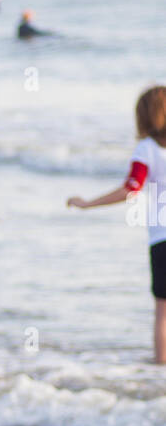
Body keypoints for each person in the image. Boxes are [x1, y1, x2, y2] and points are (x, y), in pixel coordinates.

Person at [67, 87, 166, 362]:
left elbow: (131, 189)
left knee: (163, 312)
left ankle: (159, 374)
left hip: (161, 238)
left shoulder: (147, 149)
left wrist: (88, 203)